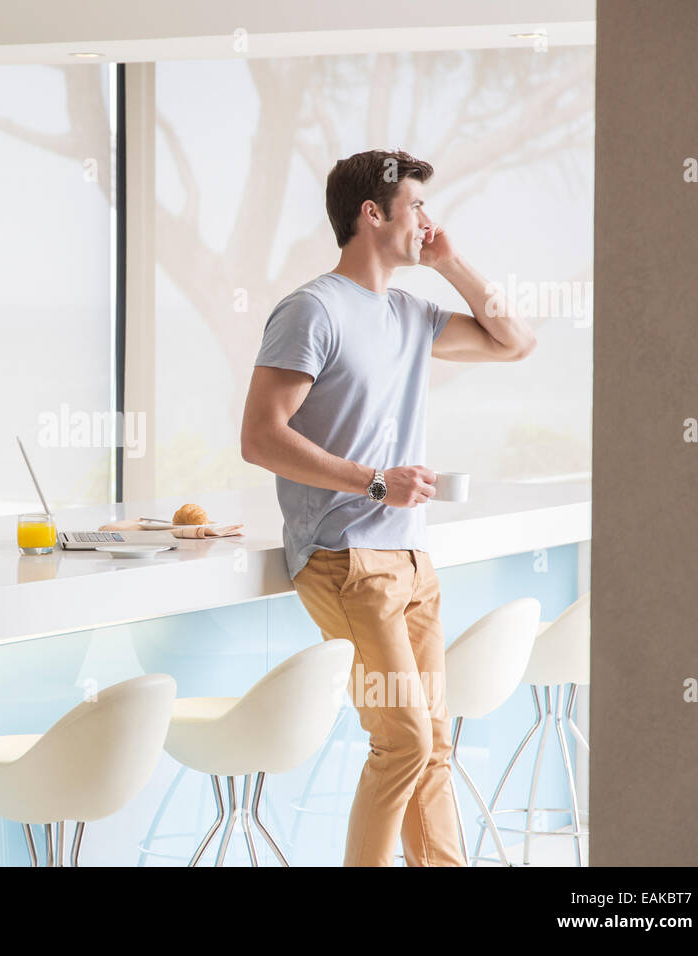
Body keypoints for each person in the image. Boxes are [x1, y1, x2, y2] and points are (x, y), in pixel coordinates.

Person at [239, 148, 537, 867]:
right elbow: (258, 437)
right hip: (347, 559)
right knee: (404, 737)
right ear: (372, 215)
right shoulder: (311, 310)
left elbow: (516, 342)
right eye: (417, 208)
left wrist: (451, 264)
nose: (428, 222)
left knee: (433, 742)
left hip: (411, 555)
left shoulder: (411, 312)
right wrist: (374, 481)